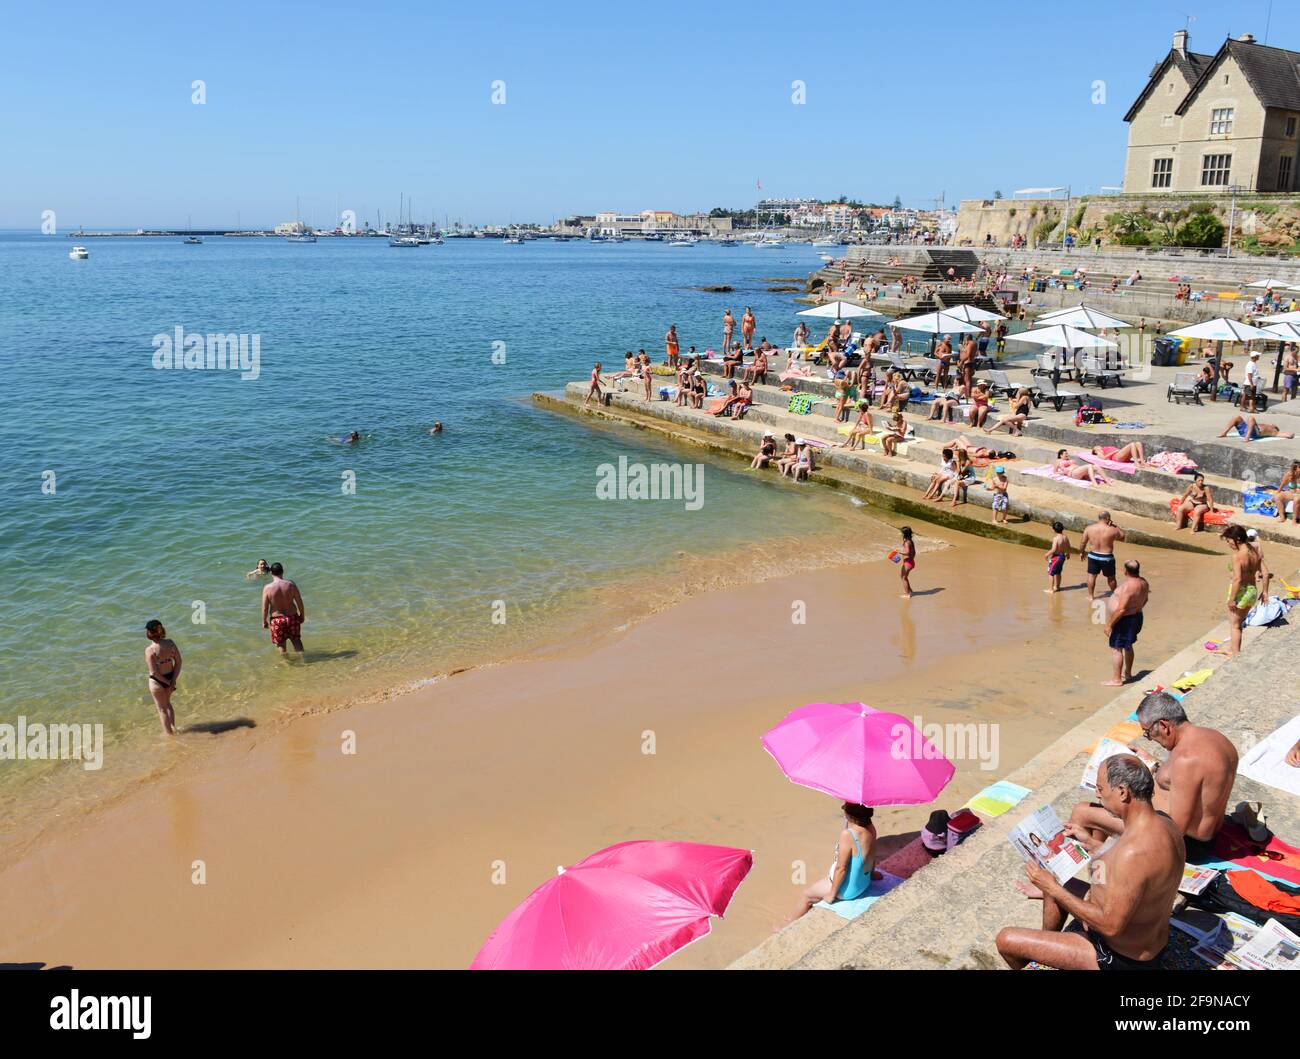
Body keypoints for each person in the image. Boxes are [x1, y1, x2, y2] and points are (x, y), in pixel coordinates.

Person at [997, 756, 1183, 971]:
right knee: (1057, 880)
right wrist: (1094, 844)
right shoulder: (1164, 823)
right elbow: (1139, 873)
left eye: (1100, 788)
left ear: (1122, 792)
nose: (1097, 794)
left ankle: (1044, 953)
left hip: (1122, 959)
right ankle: (1048, 947)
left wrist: (1052, 888)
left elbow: (1110, 926)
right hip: (1146, 936)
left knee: (1006, 939)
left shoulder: (1132, 853)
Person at [1070, 693, 1238, 862]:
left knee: (1083, 811)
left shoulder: (1186, 760)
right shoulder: (1215, 738)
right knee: (1109, 794)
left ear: (1164, 725)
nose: (1149, 739)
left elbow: (1176, 829)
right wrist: (1153, 763)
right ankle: (1101, 866)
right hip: (1209, 833)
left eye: (1148, 732)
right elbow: (1188, 781)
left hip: (1190, 844)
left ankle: (1082, 874)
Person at [790, 803, 879, 921]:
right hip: (864, 883)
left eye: (845, 808)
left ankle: (787, 924)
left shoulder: (848, 834)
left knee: (806, 896)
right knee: (823, 881)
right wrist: (872, 874)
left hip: (849, 891)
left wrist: (832, 894)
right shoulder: (871, 828)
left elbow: (841, 868)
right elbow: (871, 854)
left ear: (849, 815)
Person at [1103, 560, 1148, 686]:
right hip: (1136, 617)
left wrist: (1109, 625)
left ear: (1125, 571)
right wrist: (1136, 609)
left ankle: (1117, 679)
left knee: (1116, 648)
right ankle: (1127, 673)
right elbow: (1145, 600)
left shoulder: (1129, 586)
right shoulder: (1144, 582)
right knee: (1128, 645)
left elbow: (1121, 609)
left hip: (1125, 620)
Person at [1222, 524, 1262, 657]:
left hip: (1241, 592)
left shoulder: (1238, 556)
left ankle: (1235, 654)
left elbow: (1237, 579)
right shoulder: (1254, 550)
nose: (1228, 544)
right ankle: (1231, 649)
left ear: (1237, 539)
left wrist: (1232, 599)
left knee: (1235, 625)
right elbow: (1264, 572)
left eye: (1229, 541)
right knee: (1238, 623)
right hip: (1252, 591)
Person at [261, 562, 306, 657]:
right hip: (292, 617)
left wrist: (264, 621)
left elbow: (265, 608)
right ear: (283, 571)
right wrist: (302, 615)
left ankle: (287, 665)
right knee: (296, 640)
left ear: (271, 573)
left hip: (277, 620)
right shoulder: (291, 584)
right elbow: (299, 601)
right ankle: (304, 660)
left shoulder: (267, 588)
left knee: (281, 644)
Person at [144, 619, 181, 735]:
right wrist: (172, 680)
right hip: (170, 677)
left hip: (157, 682)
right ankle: (174, 728)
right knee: (168, 704)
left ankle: (169, 736)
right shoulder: (170, 643)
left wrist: (166, 682)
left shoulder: (150, 650)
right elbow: (179, 662)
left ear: (149, 633)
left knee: (162, 709)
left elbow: (154, 673)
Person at [1080, 511, 1124, 598]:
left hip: (1093, 555)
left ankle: (1090, 596)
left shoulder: (1089, 528)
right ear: (1108, 518)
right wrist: (1115, 526)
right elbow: (1122, 537)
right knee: (1111, 578)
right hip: (1106, 557)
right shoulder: (1112, 529)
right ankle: (1115, 595)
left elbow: (1083, 542)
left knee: (1091, 576)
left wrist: (1081, 552)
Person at [1218, 414, 1295, 441]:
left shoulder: (1274, 432)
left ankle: (1247, 438)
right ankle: (1224, 433)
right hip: (1246, 429)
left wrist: (1290, 435)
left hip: (1253, 433)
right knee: (1236, 417)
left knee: (1250, 418)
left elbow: (1287, 435)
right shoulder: (1267, 425)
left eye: (1275, 426)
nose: (1273, 424)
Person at [1045, 521, 1070, 594]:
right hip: (1062, 556)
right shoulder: (1065, 537)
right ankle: (1057, 587)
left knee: (1051, 573)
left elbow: (1054, 549)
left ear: (1054, 530)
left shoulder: (1056, 538)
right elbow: (1068, 546)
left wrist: (1046, 554)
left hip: (1056, 557)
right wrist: (1068, 554)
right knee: (1058, 572)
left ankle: (1051, 589)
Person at [897, 526, 916, 598]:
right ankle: (910, 591)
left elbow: (907, 552)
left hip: (908, 563)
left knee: (903, 577)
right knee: (904, 577)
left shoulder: (907, 542)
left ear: (904, 534)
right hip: (911, 562)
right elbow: (913, 552)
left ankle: (907, 594)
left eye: (902, 533)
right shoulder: (910, 541)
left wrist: (900, 552)